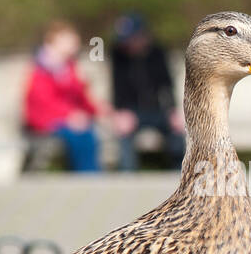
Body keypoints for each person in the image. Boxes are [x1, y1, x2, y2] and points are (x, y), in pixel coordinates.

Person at [22, 20, 102, 172]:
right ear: (54, 41)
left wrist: (99, 110)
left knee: (87, 132)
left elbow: (81, 99)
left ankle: (90, 176)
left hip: (70, 119)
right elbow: (42, 102)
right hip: (45, 119)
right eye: (69, 40)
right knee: (78, 134)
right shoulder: (41, 66)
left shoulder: (70, 66)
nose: (74, 45)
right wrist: (69, 116)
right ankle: (86, 176)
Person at [109, 13, 185, 171]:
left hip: (158, 111)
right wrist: (119, 112)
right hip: (132, 111)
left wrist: (172, 111)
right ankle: (127, 177)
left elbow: (167, 85)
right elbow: (117, 87)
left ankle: (179, 175)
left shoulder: (158, 53)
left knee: (177, 133)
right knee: (124, 134)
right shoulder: (117, 55)